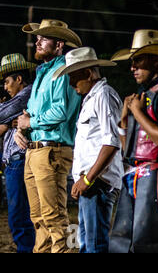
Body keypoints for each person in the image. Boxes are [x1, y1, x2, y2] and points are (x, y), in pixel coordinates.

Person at [109, 29, 158, 253]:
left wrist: (137, 113)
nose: (132, 67)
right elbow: (128, 150)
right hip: (134, 173)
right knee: (121, 239)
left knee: (147, 239)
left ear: (155, 60)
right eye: (132, 62)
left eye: (138, 61)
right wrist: (125, 118)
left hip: (155, 174)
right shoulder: (143, 94)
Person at [14, 19, 82, 253]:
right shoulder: (44, 72)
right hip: (36, 150)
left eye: (44, 38)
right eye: (38, 38)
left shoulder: (62, 70)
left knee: (53, 218)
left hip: (51, 150)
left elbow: (60, 111)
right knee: (38, 218)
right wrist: (20, 130)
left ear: (59, 43)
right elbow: (31, 113)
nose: (37, 42)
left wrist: (30, 122)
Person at [52, 47, 124, 253]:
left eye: (73, 76)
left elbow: (111, 142)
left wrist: (88, 179)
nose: (71, 83)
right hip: (92, 182)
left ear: (87, 73)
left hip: (97, 183)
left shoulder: (103, 95)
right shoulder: (93, 97)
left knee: (94, 245)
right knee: (88, 244)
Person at [0, 54, 36, 253]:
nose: (5, 87)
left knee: (18, 216)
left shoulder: (25, 95)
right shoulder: (18, 99)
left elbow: (1, 114)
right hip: (13, 161)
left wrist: (5, 120)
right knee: (19, 216)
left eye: (7, 81)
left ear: (19, 79)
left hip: (18, 160)